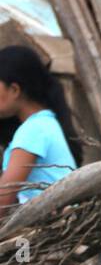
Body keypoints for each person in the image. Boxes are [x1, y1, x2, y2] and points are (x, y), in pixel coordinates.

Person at [0, 46, 78, 214]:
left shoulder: (33, 130)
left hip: (52, 226)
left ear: (14, 90)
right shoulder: (46, 123)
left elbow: (3, 200)